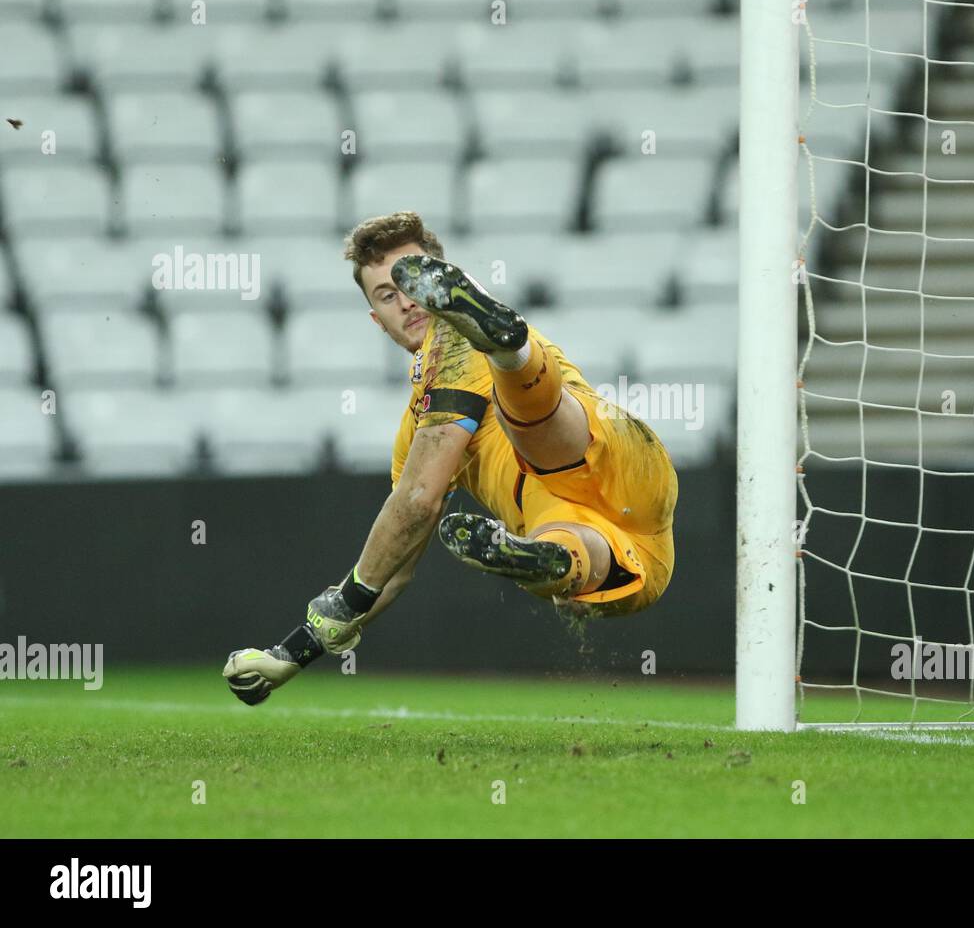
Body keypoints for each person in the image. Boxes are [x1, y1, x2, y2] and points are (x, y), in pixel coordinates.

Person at [223, 212, 678, 705]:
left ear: (440, 277)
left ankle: (512, 354)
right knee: (565, 551)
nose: (406, 302)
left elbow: (418, 500)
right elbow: (392, 569)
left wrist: (333, 614)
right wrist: (295, 651)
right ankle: (545, 557)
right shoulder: (416, 427)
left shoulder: (453, 344)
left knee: (543, 440)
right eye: (387, 295)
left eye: (411, 280)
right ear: (378, 320)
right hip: (630, 545)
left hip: (612, 457)